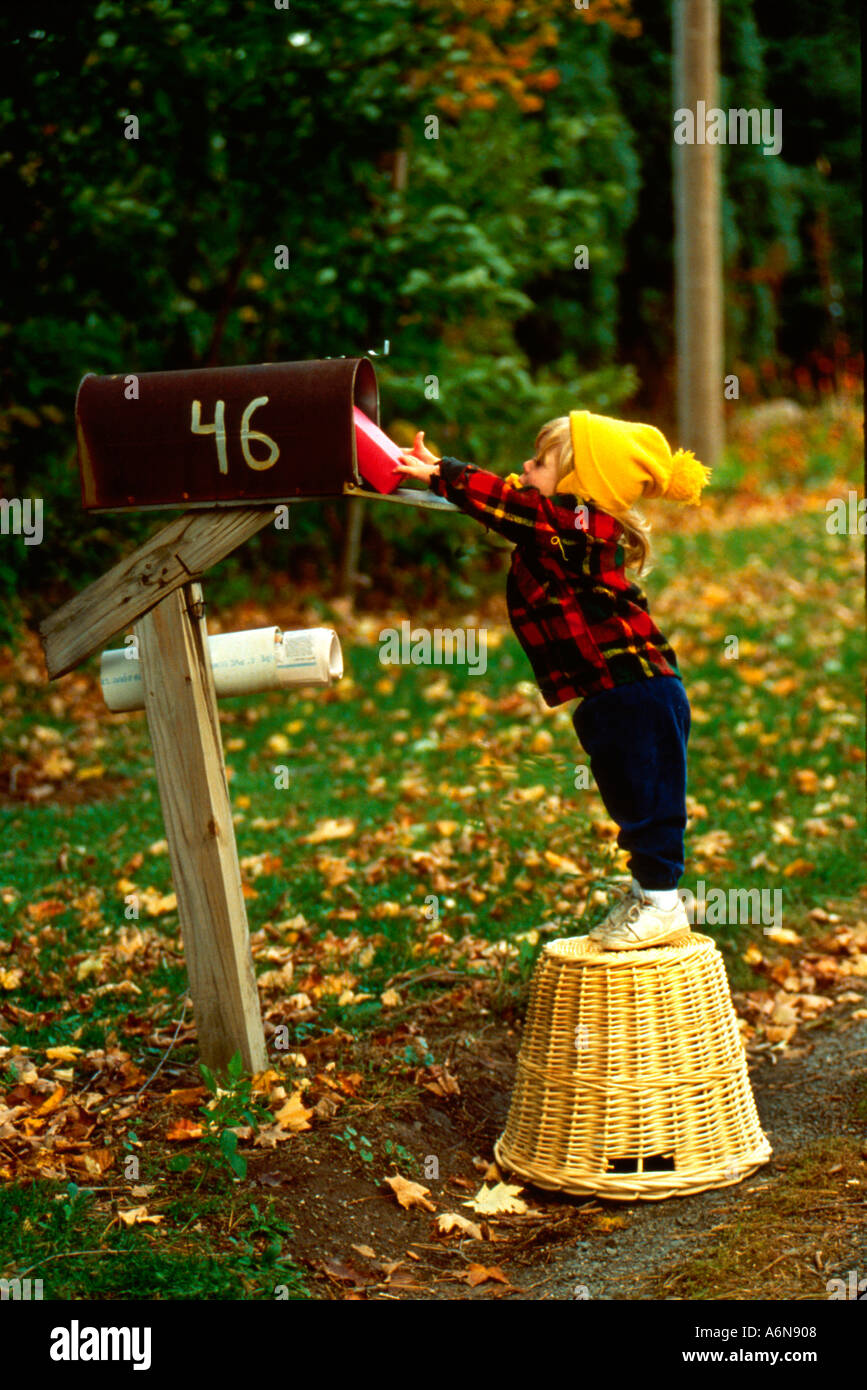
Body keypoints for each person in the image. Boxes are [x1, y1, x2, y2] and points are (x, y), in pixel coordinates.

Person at [395, 409, 711, 950]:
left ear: (578, 487)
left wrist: (446, 473)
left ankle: (662, 903)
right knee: (629, 796)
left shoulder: (580, 528)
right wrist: (442, 480)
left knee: (649, 799)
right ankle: (647, 893)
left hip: (637, 688)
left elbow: (517, 509)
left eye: (541, 462)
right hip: (613, 694)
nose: (525, 466)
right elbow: (509, 511)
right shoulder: (558, 528)